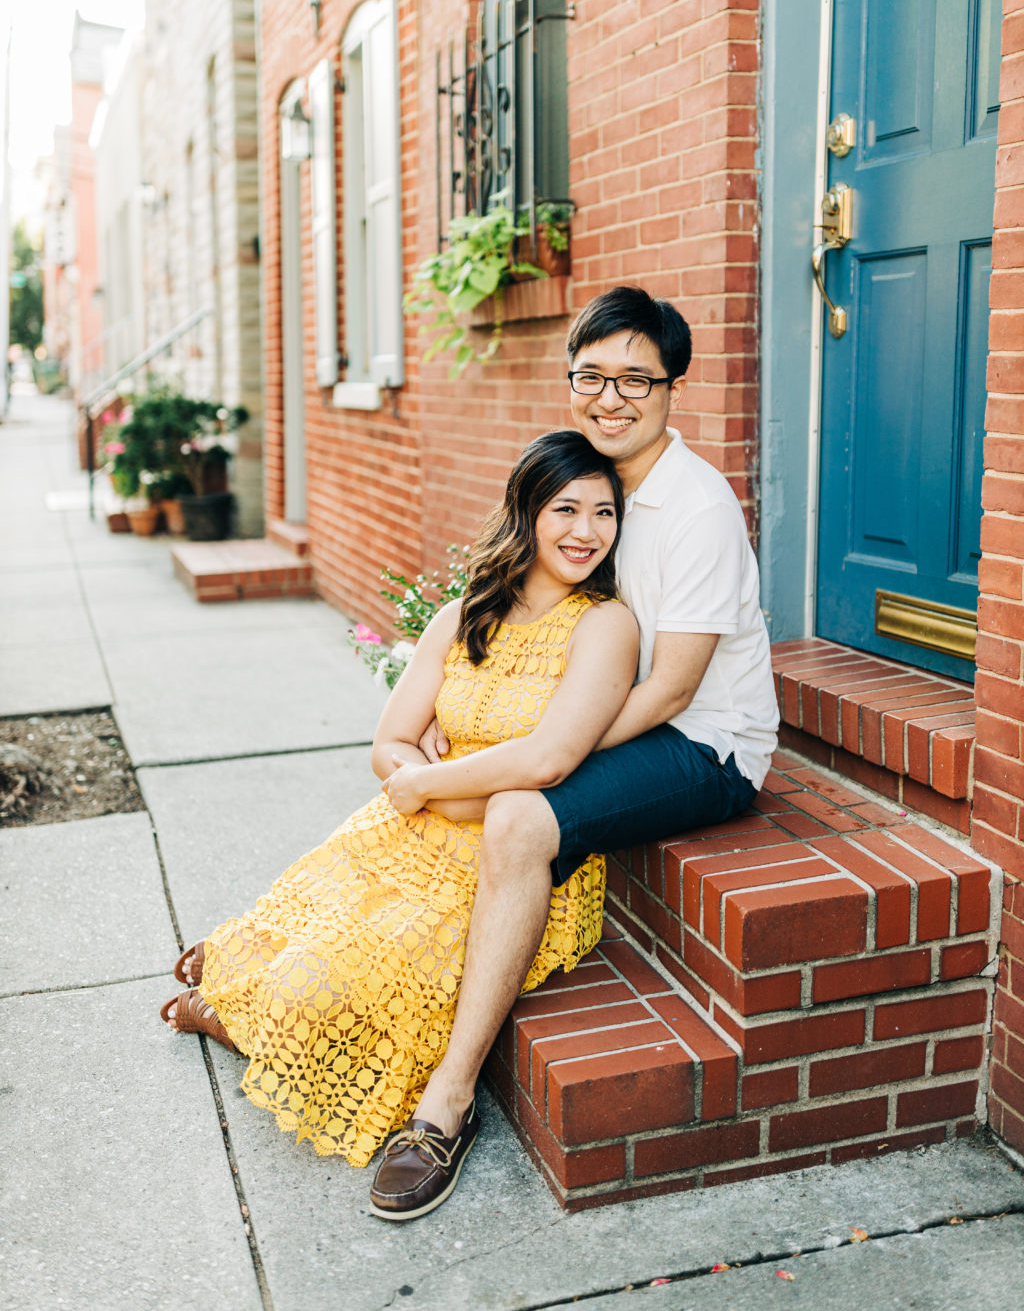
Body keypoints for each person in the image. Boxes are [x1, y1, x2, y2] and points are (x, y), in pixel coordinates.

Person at [159, 430, 639, 1219]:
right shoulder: (463, 617)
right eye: (566, 509)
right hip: (396, 837)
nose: (587, 531)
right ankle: (241, 995)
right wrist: (422, 785)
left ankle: (261, 1018)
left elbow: (549, 760)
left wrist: (426, 784)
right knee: (293, 955)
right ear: (525, 511)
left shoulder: (604, 625)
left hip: (504, 860)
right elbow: (388, 741)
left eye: (604, 513)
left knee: (321, 997)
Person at [386, 285, 780, 1216]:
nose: (611, 398)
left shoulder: (696, 507)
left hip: (705, 744)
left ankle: (448, 1103)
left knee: (517, 814)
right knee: (489, 786)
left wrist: (540, 752)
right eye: (592, 376)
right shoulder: (599, 487)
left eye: (636, 379)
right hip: (620, 714)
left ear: (672, 387)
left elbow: (672, 689)